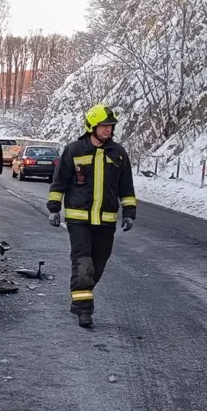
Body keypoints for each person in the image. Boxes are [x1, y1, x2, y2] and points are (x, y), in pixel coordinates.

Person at [46, 104, 137, 329]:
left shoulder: (118, 153)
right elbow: (60, 182)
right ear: (92, 127)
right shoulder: (74, 150)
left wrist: (129, 212)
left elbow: (126, 186)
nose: (108, 130)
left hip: (106, 221)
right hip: (79, 220)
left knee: (98, 265)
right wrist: (54, 208)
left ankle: (79, 297)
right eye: (104, 126)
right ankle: (84, 310)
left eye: (110, 126)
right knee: (83, 263)